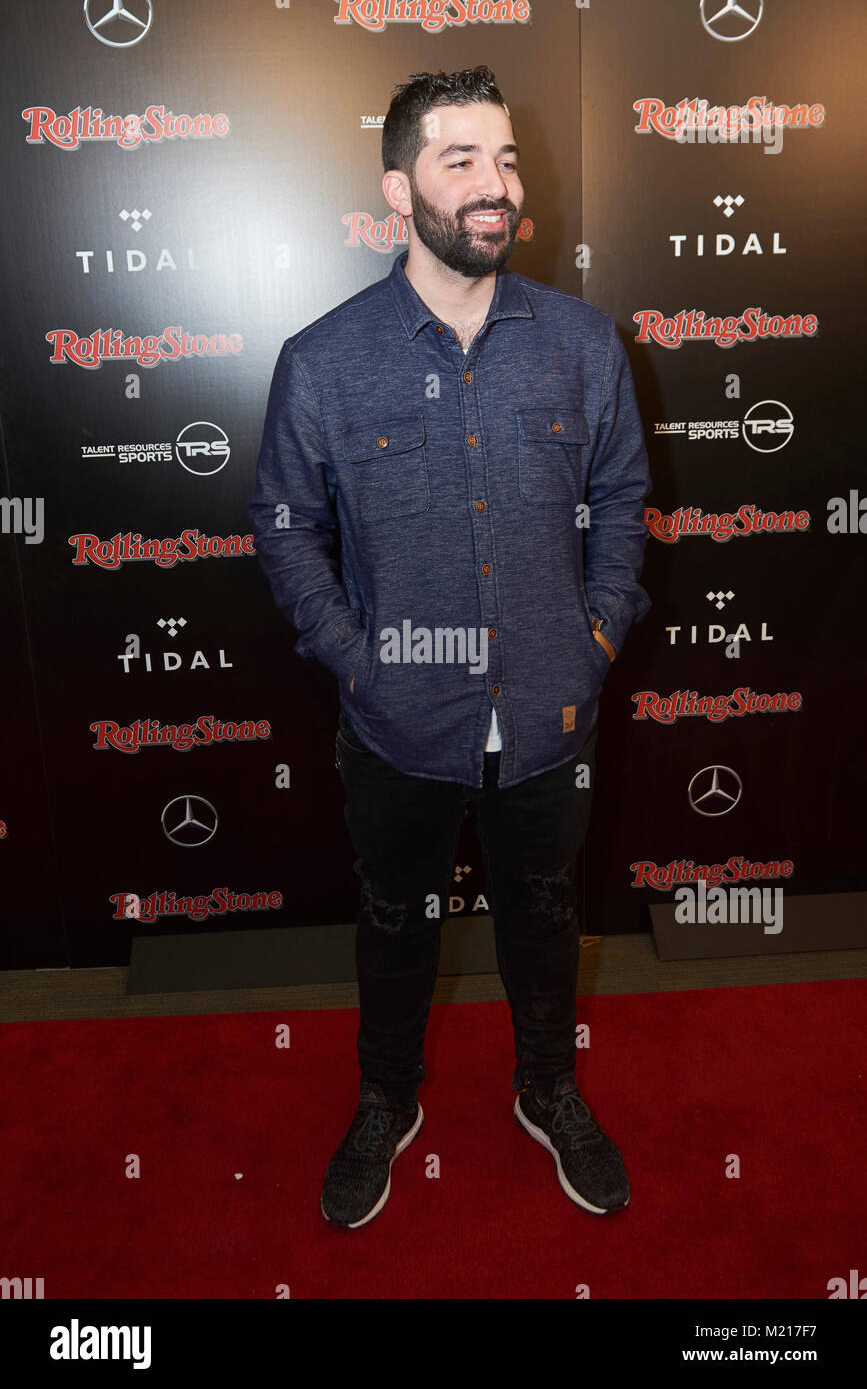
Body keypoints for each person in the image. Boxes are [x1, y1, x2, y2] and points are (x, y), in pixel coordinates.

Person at [247, 65, 651, 1229]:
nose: (494, 186)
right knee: (391, 918)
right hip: (395, 720)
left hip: (548, 708)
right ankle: (387, 1097)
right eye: (460, 159)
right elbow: (285, 527)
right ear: (398, 190)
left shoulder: (581, 344)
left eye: (508, 157)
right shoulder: (323, 361)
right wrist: (357, 657)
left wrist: (595, 632)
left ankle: (548, 1086)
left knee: (543, 911)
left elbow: (622, 496)